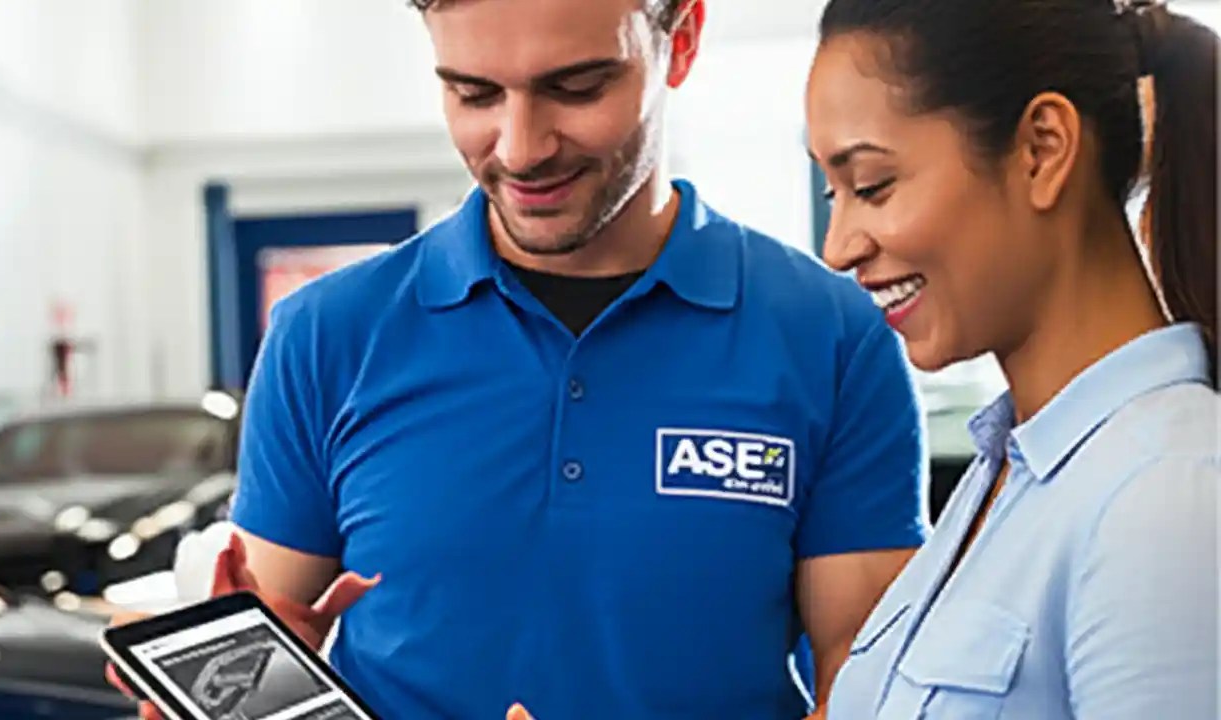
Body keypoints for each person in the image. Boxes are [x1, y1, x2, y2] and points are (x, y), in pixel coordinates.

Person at [108, 0, 931, 718]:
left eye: (576, 88)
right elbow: (259, 656)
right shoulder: (325, 336)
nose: (521, 147)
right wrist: (223, 692)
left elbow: (868, 690)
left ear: (680, 40)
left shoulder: (830, 337)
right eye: (474, 94)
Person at [803, 0, 1219, 718]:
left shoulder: (1164, 499)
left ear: (1042, 149)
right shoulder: (1007, 476)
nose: (837, 247)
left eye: (872, 186)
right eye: (832, 193)